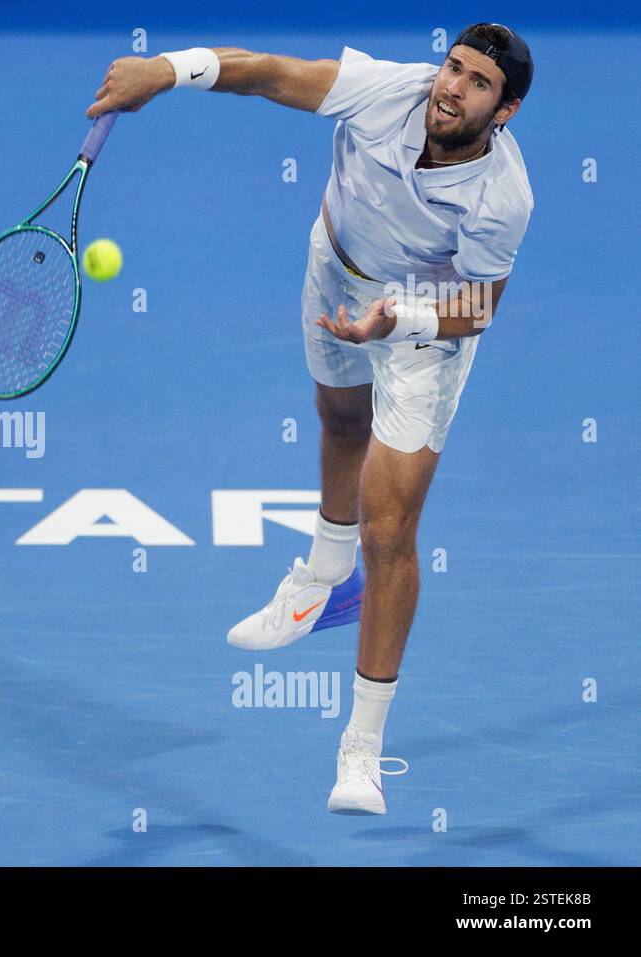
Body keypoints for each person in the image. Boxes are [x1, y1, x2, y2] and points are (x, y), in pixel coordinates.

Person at [87, 24, 534, 814]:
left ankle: (361, 750)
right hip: (334, 267)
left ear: (506, 112)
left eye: (477, 84)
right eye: (452, 68)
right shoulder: (385, 92)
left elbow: (479, 306)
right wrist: (167, 69)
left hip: (423, 327)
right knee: (336, 417)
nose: (452, 88)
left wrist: (397, 323)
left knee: (389, 532)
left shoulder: (505, 197)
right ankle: (322, 582)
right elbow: (268, 74)